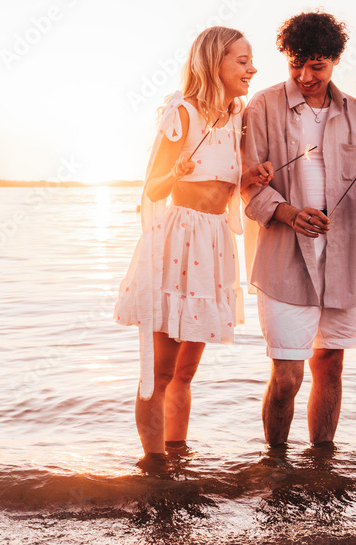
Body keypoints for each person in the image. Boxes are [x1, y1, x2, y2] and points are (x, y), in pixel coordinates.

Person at [241, 11, 356, 450]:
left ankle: (322, 465)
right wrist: (290, 213)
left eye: (317, 66)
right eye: (297, 64)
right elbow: (249, 187)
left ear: (334, 61)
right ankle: (275, 466)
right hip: (284, 261)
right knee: (288, 375)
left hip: (342, 259)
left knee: (330, 365)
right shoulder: (262, 106)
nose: (306, 76)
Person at [115, 26, 270, 467]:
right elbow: (152, 188)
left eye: (250, 61)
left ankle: (177, 459)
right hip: (177, 241)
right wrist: (176, 170)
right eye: (241, 61)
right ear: (213, 63)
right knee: (160, 373)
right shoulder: (182, 113)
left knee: (186, 373)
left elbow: (227, 185)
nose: (251, 68)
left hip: (215, 242)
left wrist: (252, 179)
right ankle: (155, 468)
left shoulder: (238, 116)